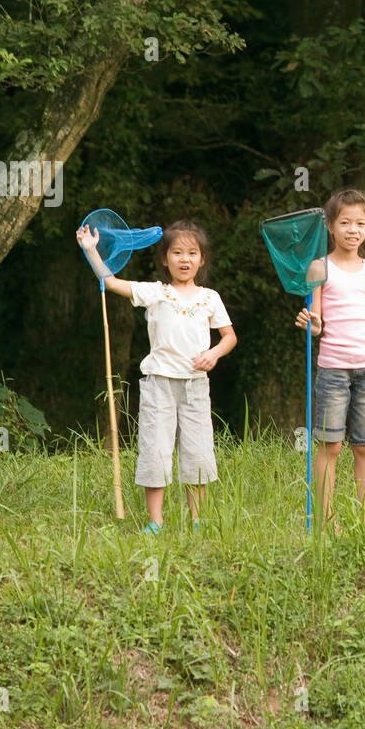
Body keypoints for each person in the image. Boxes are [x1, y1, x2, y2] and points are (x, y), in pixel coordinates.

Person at [76, 220, 236, 533]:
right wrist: (92, 251)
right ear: (165, 259)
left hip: (195, 385)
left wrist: (213, 354)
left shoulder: (210, 297)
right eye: (177, 252)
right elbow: (111, 283)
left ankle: (198, 520)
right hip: (158, 385)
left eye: (192, 253)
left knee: (198, 450)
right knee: (155, 449)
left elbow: (229, 337)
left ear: (201, 259)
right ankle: (155, 521)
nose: (185, 259)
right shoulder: (156, 293)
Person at [295, 189, 365, 530]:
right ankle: (326, 520)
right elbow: (317, 322)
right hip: (333, 369)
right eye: (345, 223)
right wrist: (313, 324)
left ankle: (364, 522)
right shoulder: (318, 268)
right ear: (331, 226)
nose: (353, 230)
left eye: (360, 224)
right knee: (330, 446)